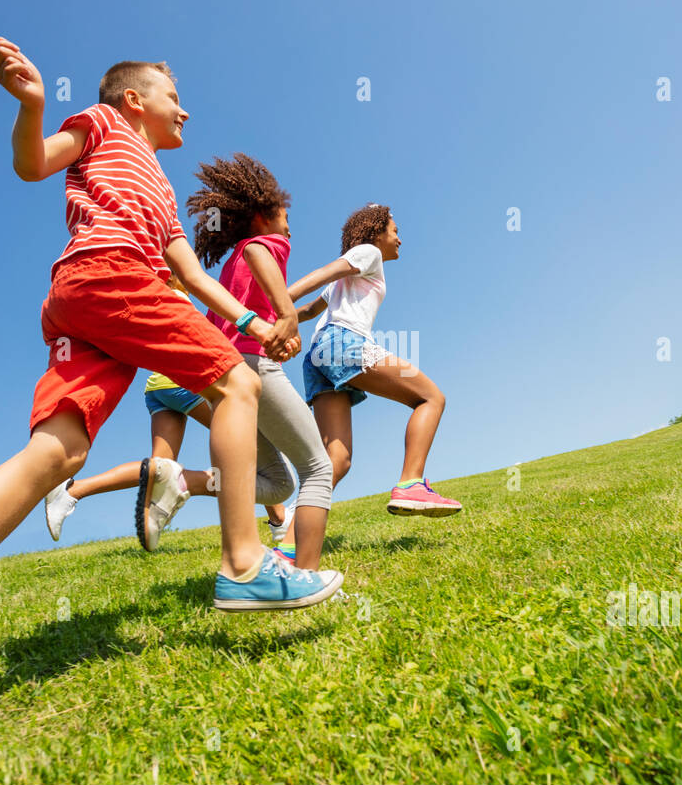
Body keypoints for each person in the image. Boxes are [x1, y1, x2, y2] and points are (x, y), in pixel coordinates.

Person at [0, 39, 342, 760]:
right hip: (107, 276)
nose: (184, 105)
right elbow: (33, 165)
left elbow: (189, 273)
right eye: (172, 91)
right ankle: (246, 566)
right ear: (135, 99)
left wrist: (255, 323)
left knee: (58, 451)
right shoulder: (101, 123)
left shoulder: (159, 190)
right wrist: (31, 105)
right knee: (238, 383)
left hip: (93, 301)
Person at [42, 279, 294, 549]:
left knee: (159, 466)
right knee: (246, 444)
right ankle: (279, 522)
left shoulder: (149, 295)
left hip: (158, 389)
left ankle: (73, 490)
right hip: (183, 382)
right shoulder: (175, 296)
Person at [185, 153, 336, 570]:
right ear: (262, 214)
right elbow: (261, 256)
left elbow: (270, 309)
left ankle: (180, 481)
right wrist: (287, 315)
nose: (289, 224)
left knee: (277, 485)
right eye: (284, 213)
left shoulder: (230, 267)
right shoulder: (262, 244)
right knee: (318, 468)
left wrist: (298, 313)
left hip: (225, 380)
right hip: (254, 371)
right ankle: (304, 573)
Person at [289, 204, 462, 516]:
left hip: (317, 357)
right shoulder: (368, 252)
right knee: (431, 398)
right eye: (395, 231)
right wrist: (282, 300)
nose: (400, 239)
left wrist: (272, 317)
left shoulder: (351, 275)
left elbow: (310, 312)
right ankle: (411, 484)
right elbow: (323, 272)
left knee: (336, 461)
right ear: (377, 233)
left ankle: (289, 535)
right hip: (343, 343)